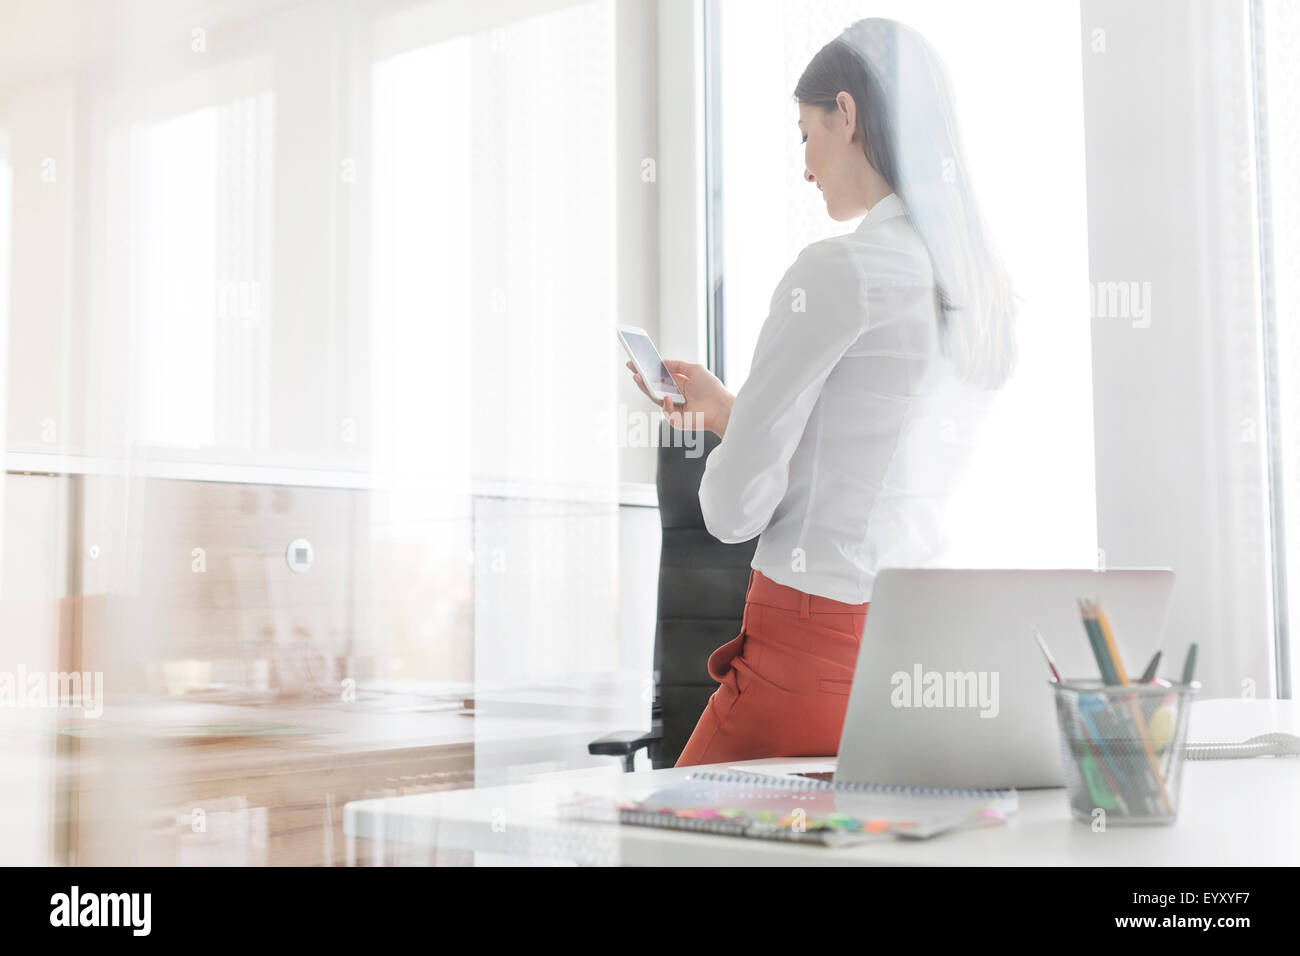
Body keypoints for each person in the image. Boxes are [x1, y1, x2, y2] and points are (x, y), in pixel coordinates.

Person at [627, 18, 1017, 766]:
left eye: (805, 133)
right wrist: (731, 412)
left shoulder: (838, 272)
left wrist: (730, 445)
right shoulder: (974, 289)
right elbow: (868, 458)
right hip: (912, 663)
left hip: (805, 656)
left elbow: (732, 511)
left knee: (664, 847)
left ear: (847, 114)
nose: (804, 165)